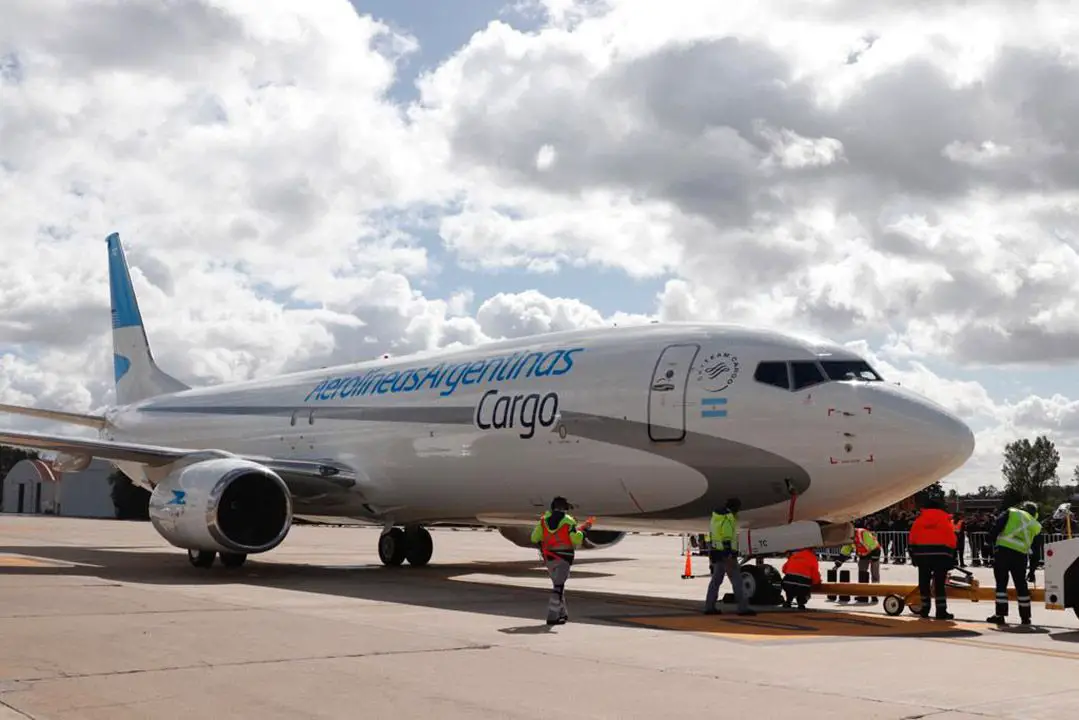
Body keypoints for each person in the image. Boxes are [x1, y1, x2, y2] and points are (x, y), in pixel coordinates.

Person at [530, 496, 593, 626]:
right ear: (565, 509)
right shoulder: (568, 521)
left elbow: (534, 538)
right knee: (558, 587)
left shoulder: (543, 521)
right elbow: (576, 539)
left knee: (558, 585)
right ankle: (552, 615)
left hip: (549, 557)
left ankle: (562, 614)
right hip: (564, 557)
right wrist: (584, 531)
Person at [985, 500, 1042, 626]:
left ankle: (1000, 615)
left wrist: (988, 541)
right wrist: (1032, 571)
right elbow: (1036, 552)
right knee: (1021, 585)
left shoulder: (1012, 512)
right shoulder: (1036, 526)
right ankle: (1025, 617)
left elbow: (996, 526)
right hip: (1020, 556)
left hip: (1003, 552)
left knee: (1001, 585)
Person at [703, 497, 755, 616]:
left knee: (716, 581)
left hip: (717, 552)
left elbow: (712, 535)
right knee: (737, 581)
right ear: (734, 507)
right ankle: (743, 608)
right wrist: (730, 552)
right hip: (726, 554)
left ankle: (709, 607)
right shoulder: (728, 518)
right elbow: (727, 536)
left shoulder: (716, 517)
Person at [908, 495, 957, 620]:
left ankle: (925, 609)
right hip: (941, 555)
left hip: (922, 554)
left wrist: (913, 555)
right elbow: (952, 539)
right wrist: (952, 556)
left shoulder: (919, 520)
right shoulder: (945, 520)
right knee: (939, 584)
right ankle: (941, 611)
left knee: (924, 582)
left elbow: (912, 538)